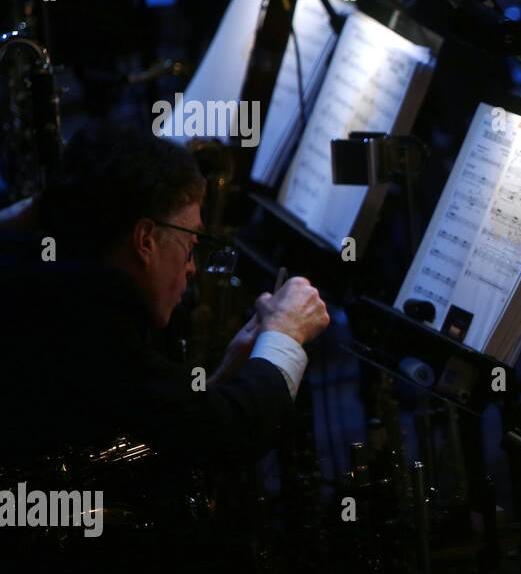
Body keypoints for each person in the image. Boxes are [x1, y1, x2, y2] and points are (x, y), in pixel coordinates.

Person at [0, 129, 329, 467]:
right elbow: (226, 436)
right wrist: (285, 333)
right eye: (191, 243)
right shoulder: (92, 313)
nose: (191, 268)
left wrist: (221, 380)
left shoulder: (50, 275)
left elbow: (163, 428)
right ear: (145, 239)